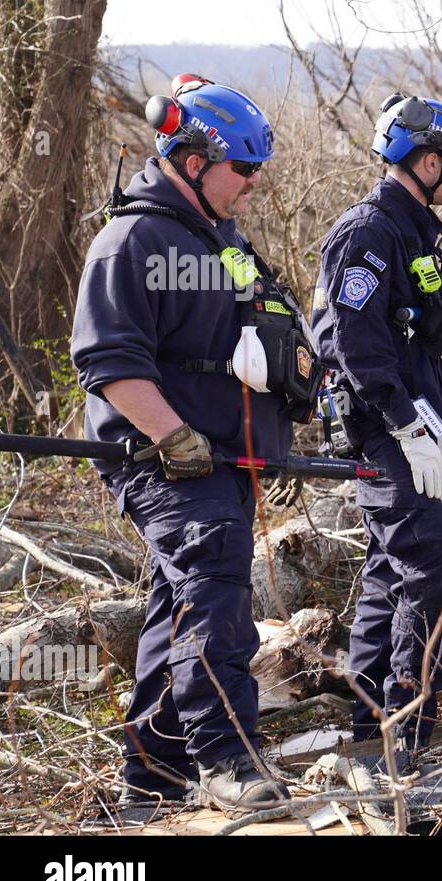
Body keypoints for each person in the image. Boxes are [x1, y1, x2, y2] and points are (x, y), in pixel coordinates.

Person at [72, 74, 309, 813]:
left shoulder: (222, 239)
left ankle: (150, 777)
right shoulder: (132, 240)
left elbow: (260, 324)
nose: (253, 181)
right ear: (195, 158)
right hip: (165, 462)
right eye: (243, 167)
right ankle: (226, 755)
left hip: (225, 459)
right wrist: (173, 436)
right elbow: (109, 363)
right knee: (215, 586)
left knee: (178, 604)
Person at [311, 95, 442, 749]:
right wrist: (406, 423)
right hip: (384, 431)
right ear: (430, 160)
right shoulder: (369, 233)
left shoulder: (412, 231)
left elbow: (412, 338)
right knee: (428, 557)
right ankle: (408, 725)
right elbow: (351, 342)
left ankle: (370, 728)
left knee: (390, 571)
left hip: (407, 427)